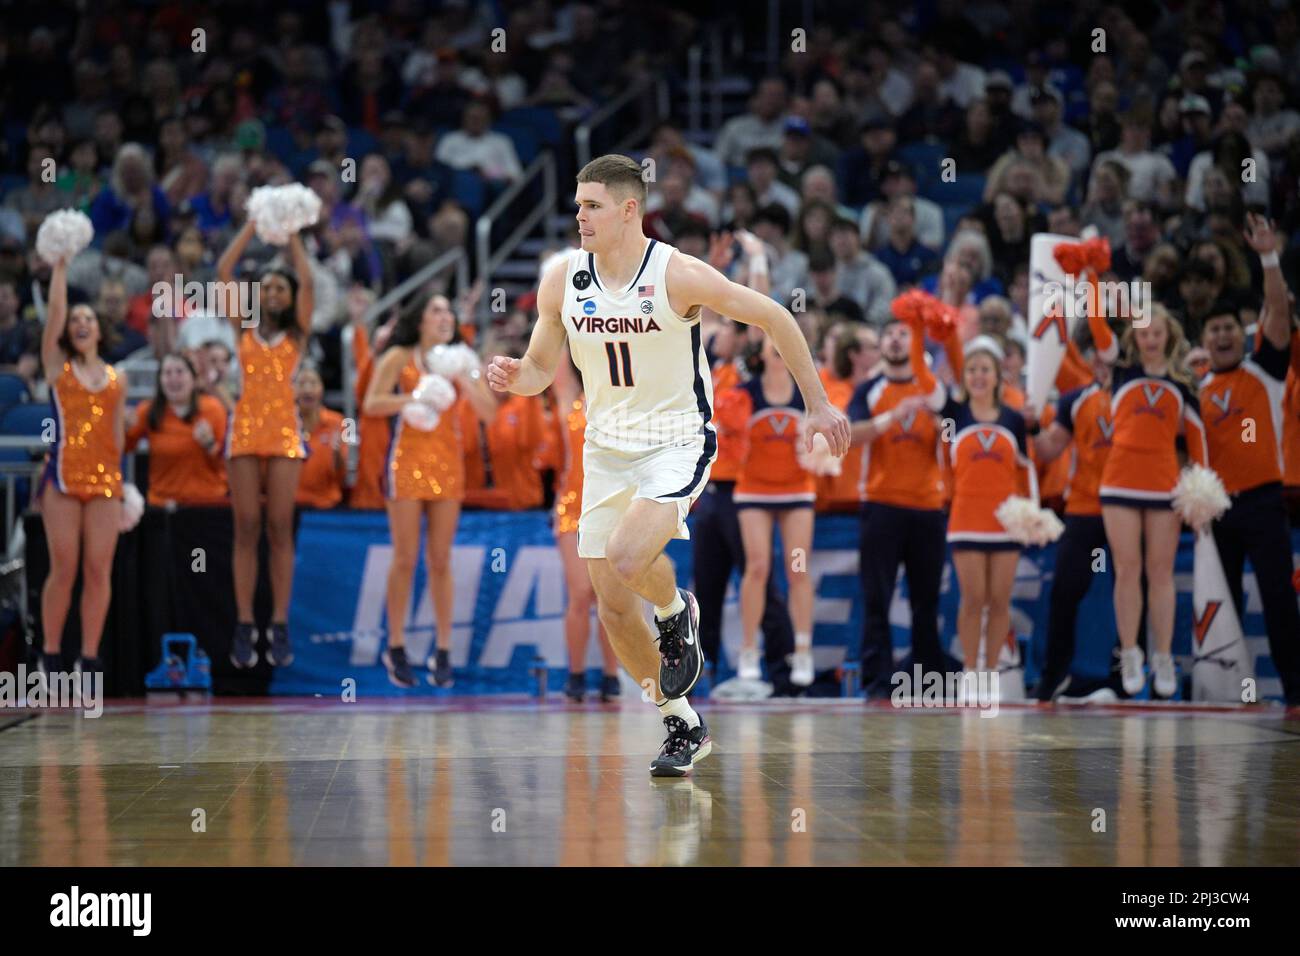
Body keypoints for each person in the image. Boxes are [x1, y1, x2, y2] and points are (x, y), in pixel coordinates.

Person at [487, 154, 849, 776]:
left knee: (631, 560)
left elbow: (774, 315)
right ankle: (681, 723)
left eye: (592, 205)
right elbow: (544, 369)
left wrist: (817, 404)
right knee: (611, 606)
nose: (580, 216)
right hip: (604, 447)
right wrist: (517, 377)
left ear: (630, 210)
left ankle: (678, 609)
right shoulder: (562, 279)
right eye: (577, 204)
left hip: (674, 439)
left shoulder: (676, 273)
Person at [362, 294, 495, 688]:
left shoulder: (461, 359)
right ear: (419, 319)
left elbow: (490, 413)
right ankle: (397, 646)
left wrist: (467, 377)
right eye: (436, 309)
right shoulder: (400, 356)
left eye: (448, 310)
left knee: (440, 559)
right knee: (405, 557)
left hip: (447, 464)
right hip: (406, 461)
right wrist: (415, 396)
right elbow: (371, 403)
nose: (445, 316)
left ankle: (442, 649)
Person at [1198, 216, 1300, 704]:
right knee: (1226, 607)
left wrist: (1268, 258)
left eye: (1228, 328)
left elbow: (1278, 313)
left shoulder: (1266, 371)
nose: (1222, 336)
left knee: (1279, 599)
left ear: (1242, 333)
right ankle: (1234, 694)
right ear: (1203, 342)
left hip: (1262, 504)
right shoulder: (1195, 391)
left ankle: (1297, 693)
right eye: (1213, 330)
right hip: (1215, 511)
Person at [847, 297, 960, 697]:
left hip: (928, 508)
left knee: (925, 603)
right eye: (889, 335)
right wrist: (892, 418)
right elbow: (852, 434)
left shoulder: (933, 390)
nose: (896, 340)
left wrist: (938, 420)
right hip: (881, 505)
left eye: (903, 333)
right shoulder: (870, 390)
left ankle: (929, 685)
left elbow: (953, 434)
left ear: (915, 342)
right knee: (876, 599)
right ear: (880, 347)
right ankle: (878, 685)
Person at [215, 219, 315, 670]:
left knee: (278, 526)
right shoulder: (244, 329)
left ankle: (277, 622)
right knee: (246, 526)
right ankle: (243, 622)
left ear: (291, 297)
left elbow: (308, 277)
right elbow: (223, 270)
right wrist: (254, 224)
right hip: (244, 432)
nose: (274, 294)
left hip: (284, 433)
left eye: (281, 288)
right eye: (268, 287)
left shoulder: (298, 334)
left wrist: (289, 228)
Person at [1099, 304, 1206, 697]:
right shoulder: (1121, 371)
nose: (1149, 340)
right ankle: (1129, 652)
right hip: (1120, 482)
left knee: (1160, 572)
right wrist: (1090, 273)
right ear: (1134, 337)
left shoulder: (1183, 383)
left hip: (1164, 483)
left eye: (1156, 333)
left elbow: (1198, 440)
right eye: (1142, 333)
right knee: (1127, 569)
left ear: (1168, 335)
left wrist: (1202, 490)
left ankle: (1162, 655)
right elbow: (1098, 330)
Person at [37, 251, 127, 681]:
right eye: (76, 319)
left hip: (107, 480)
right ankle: (51, 653)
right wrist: (60, 267)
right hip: (62, 477)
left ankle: (89, 658)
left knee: (98, 570)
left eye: (88, 318)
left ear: (99, 328)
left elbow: (118, 434)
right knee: (65, 567)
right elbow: (54, 314)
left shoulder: (117, 377)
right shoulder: (58, 367)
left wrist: (125, 486)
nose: (81, 323)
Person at [939, 334, 1034, 683]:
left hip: (1006, 521)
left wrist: (1028, 514)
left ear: (998, 376)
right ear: (964, 377)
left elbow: (1025, 470)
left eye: (985, 370)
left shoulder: (1013, 419)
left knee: (999, 601)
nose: (978, 376)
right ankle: (970, 671)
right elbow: (944, 466)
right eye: (972, 370)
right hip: (966, 519)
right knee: (973, 599)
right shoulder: (954, 414)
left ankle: (990, 672)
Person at [729, 332, 819, 689]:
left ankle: (803, 648)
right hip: (754, 491)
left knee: (797, 568)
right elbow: (731, 440)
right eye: (773, 343)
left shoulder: (807, 392)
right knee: (758, 566)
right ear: (762, 351)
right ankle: (749, 649)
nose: (780, 350)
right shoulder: (746, 394)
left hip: (797, 492)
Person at [551, 355, 620, 702]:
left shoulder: (622, 398)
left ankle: (611, 676)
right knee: (580, 594)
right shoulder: (570, 397)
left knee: (609, 597)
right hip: (572, 510)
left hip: (613, 510)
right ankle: (576, 674)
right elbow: (559, 337)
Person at [125, 352, 228, 507]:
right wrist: (123, 427)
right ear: (160, 380)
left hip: (208, 503)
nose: (173, 378)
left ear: (194, 379)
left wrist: (210, 445)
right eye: (167, 373)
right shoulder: (148, 410)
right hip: (163, 504)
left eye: (180, 372)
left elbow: (228, 465)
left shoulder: (213, 409)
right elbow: (124, 447)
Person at [294, 363, 345, 510]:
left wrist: (337, 455)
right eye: (302, 383)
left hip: (326, 506)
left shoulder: (342, 422)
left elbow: (346, 474)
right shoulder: (284, 423)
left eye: (313, 383)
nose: (308, 389)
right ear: (292, 390)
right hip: (290, 506)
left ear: (322, 389)